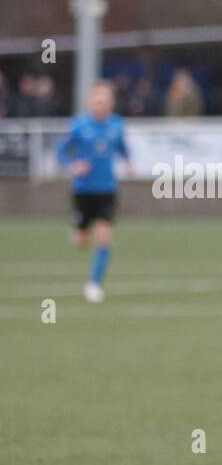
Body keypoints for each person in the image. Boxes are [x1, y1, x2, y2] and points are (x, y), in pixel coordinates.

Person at [57, 80, 132, 302]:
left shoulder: (117, 125)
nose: (100, 104)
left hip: (107, 190)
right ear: (91, 102)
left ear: (111, 102)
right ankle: (79, 230)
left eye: (105, 100)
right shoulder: (79, 126)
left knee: (104, 237)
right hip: (83, 191)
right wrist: (74, 165)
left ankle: (94, 284)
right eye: (97, 100)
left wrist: (128, 161)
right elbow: (62, 151)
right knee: (82, 241)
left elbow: (122, 147)